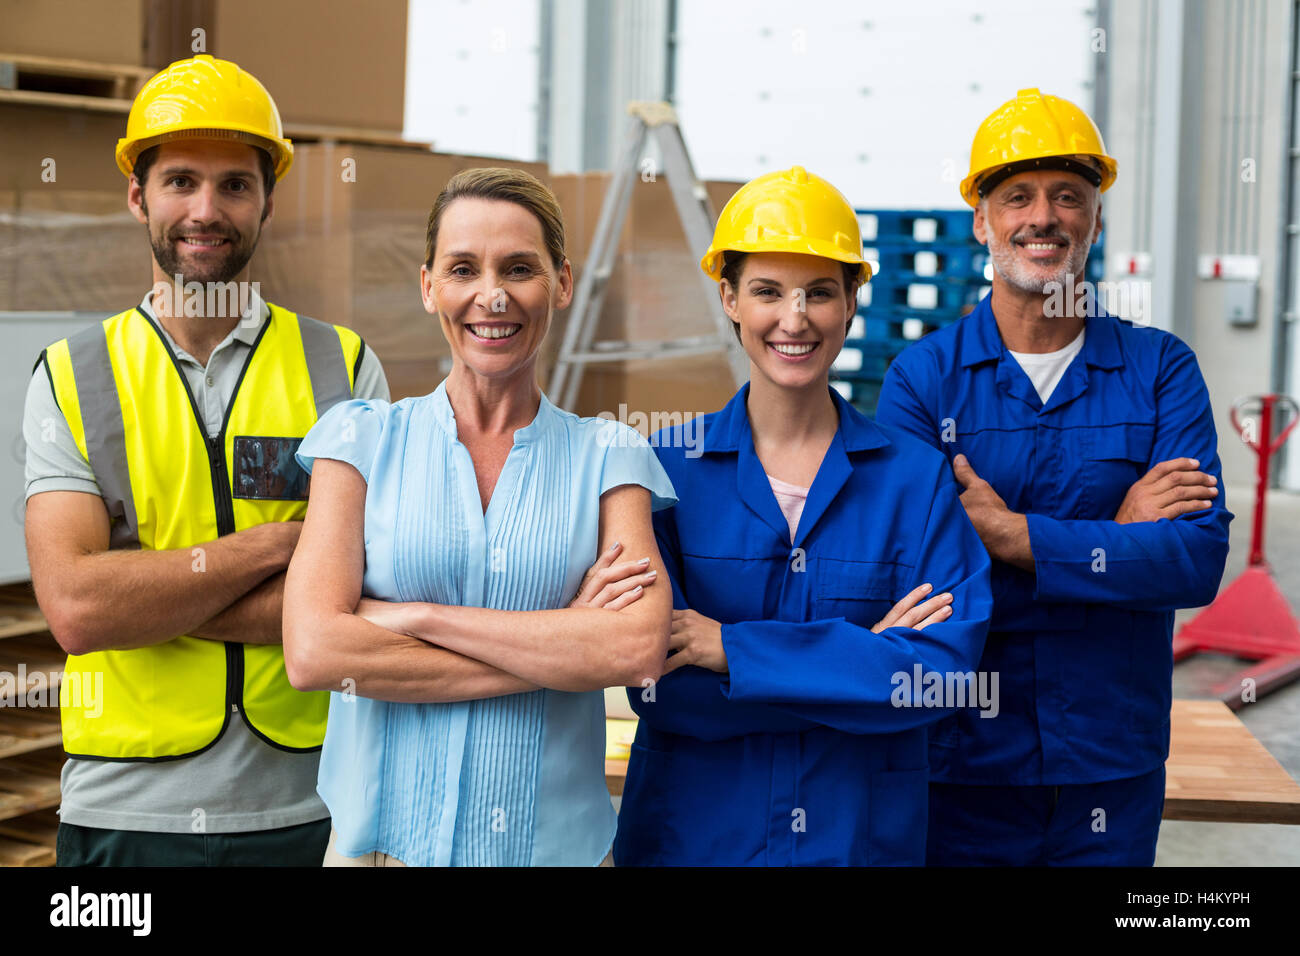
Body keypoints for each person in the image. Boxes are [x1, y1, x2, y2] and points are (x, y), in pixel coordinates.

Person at [23, 54, 390, 866]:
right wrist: (278, 549)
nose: (205, 209)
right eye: (181, 180)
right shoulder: (72, 376)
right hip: (125, 815)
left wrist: (142, 593)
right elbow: (78, 612)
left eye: (234, 185)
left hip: (313, 806)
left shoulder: (345, 367)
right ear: (137, 196)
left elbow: (368, 592)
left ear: (266, 202)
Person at [875, 88, 1233, 866]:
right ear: (982, 221)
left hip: (1109, 764)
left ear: (1095, 220)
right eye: (1017, 197)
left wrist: (1006, 536)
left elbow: (1196, 562)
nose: (1044, 217)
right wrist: (1114, 544)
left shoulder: (1160, 369)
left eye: (1069, 196)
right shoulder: (923, 380)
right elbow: (909, 583)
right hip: (960, 763)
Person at [282, 166, 676, 867]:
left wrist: (415, 617)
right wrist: (563, 649)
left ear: (560, 281)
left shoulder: (610, 455)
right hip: (381, 854)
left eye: (518, 268)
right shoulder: (360, 441)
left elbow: (632, 651)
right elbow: (315, 652)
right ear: (430, 284)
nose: (491, 295)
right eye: (464, 268)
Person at [612, 167, 994, 866]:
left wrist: (730, 650)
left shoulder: (915, 481)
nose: (795, 319)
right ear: (729, 298)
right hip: (696, 841)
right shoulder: (663, 470)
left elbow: (940, 679)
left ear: (852, 302)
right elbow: (657, 687)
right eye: (767, 291)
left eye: (820, 292)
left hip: (854, 842)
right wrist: (862, 661)